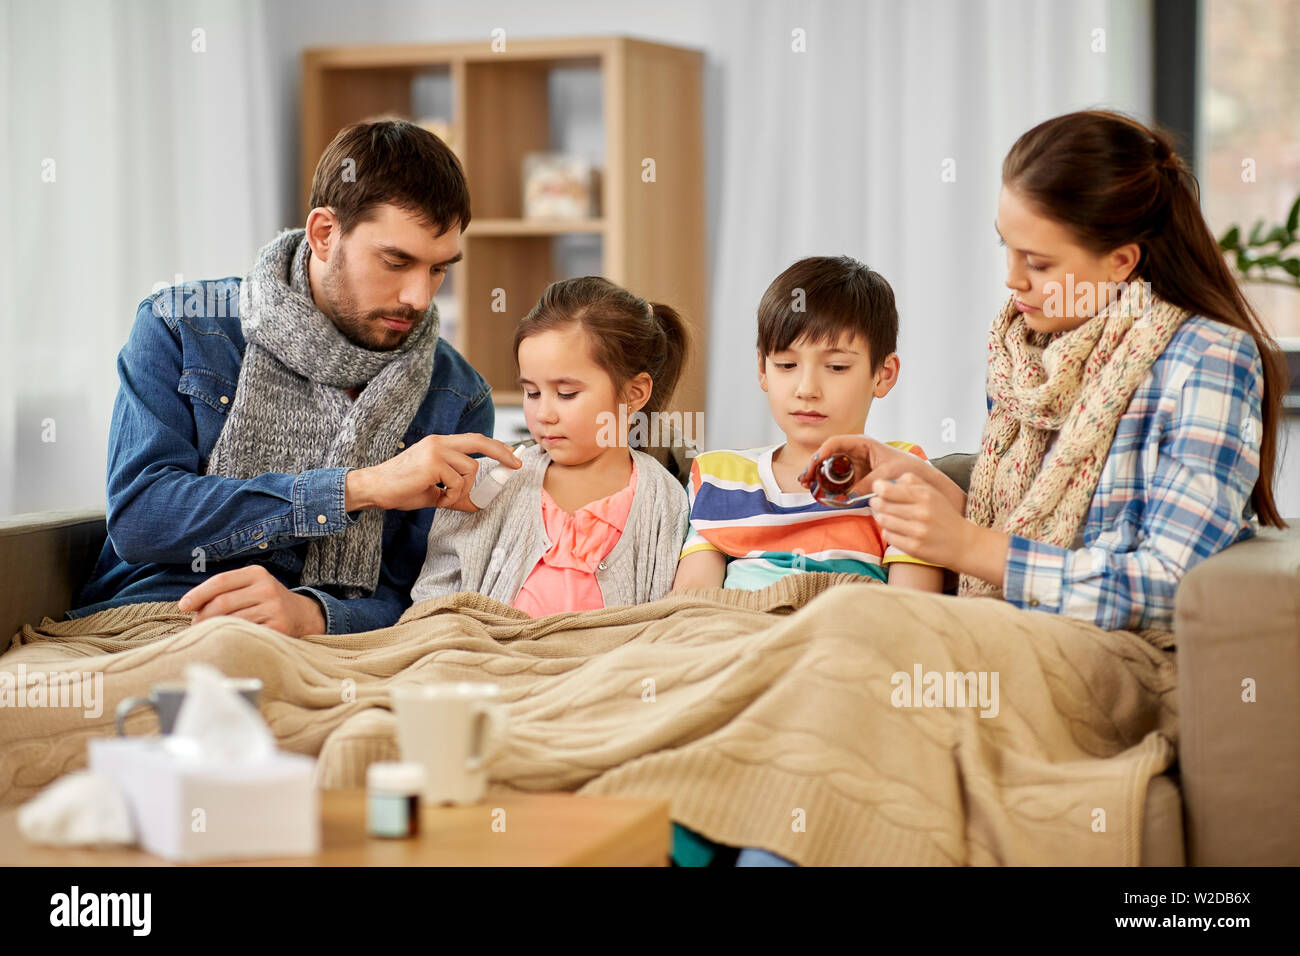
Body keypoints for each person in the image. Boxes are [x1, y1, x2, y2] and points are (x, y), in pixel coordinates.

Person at [806, 109, 1288, 633]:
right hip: (1014, 627)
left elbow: (1170, 584)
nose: (1012, 280)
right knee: (827, 624)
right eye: (1005, 248)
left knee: (844, 623)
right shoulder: (1030, 357)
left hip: (1117, 651)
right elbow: (1044, 531)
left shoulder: (1208, 359)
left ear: (1121, 262)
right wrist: (921, 483)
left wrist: (967, 545)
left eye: (1037, 263)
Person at [68, 119, 521, 637]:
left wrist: (313, 614)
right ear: (325, 234)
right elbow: (142, 517)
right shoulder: (183, 325)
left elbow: (423, 593)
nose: (420, 296)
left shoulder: (456, 394)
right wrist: (361, 487)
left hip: (333, 642)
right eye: (396, 261)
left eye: (439, 269)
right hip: (167, 613)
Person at [410, 277, 690, 614]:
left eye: (567, 394)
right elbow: (433, 599)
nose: (543, 414)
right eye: (532, 392)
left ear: (634, 394)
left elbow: (663, 620)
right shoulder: (487, 485)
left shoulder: (664, 499)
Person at [671, 255, 945, 595]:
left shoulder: (902, 474)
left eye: (837, 367)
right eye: (786, 365)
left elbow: (912, 611)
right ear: (762, 369)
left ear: (883, 374)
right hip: (736, 636)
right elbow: (690, 608)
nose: (806, 390)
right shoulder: (719, 476)